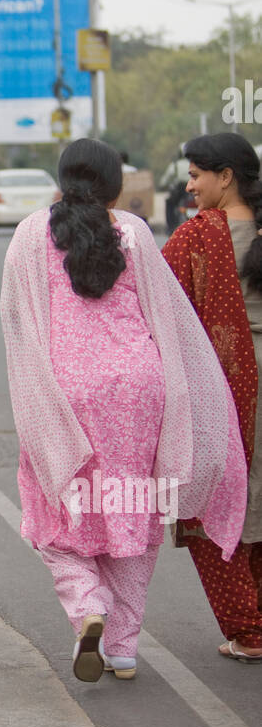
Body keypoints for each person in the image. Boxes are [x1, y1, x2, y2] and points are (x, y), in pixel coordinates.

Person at [0, 138, 246, 682]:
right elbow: (168, 317)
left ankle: (88, 602)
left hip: (69, 390)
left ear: (62, 180)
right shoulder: (132, 232)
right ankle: (124, 647)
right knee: (133, 507)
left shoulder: (30, 234)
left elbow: (18, 323)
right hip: (137, 390)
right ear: (114, 183)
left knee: (59, 511)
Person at [162, 133, 262, 663]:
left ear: (226, 178)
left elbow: (156, 311)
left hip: (224, 388)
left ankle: (250, 629)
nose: (189, 183)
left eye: (197, 173)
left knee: (215, 501)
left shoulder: (195, 238)